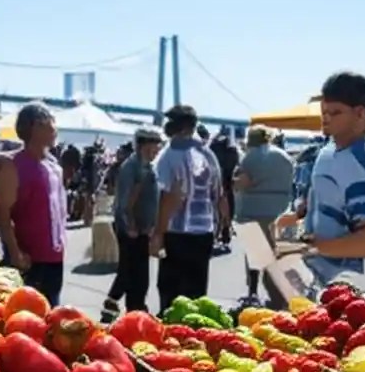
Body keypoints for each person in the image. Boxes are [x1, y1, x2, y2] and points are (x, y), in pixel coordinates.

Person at [279, 73, 365, 295]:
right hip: (315, 282)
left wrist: (312, 247)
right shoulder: (326, 153)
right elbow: (326, 208)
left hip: (353, 289)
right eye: (324, 112)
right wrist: (296, 221)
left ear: (361, 113)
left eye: (335, 112)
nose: (326, 118)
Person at [150, 105, 225, 309]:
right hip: (204, 232)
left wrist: (158, 233)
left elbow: (170, 197)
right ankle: (194, 334)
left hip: (177, 232)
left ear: (181, 126)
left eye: (171, 122)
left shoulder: (169, 155)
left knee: (170, 291)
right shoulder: (208, 154)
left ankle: (172, 334)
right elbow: (219, 194)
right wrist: (221, 226)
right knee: (197, 292)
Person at [0, 103, 67, 305]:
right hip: (29, 259)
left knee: (52, 309)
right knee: (28, 315)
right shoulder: (12, 164)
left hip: (54, 256)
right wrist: (14, 252)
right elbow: (2, 212)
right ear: (35, 127)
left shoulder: (53, 165)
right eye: (50, 124)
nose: (55, 130)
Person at [102, 126, 161, 321]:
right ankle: (112, 303)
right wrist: (130, 225)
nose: (155, 151)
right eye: (152, 147)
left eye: (157, 148)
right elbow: (124, 200)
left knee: (140, 273)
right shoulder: (132, 167)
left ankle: (136, 308)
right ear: (141, 146)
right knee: (129, 271)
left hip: (143, 229)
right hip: (131, 228)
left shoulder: (147, 167)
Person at [233, 125, 293, 307]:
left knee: (255, 256)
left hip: (253, 212)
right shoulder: (284, 157)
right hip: (280, 212)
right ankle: (278, 297)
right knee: (275, 256)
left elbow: (243, 183)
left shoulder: (249, 158)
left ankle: (252, 293)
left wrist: (233, 182)